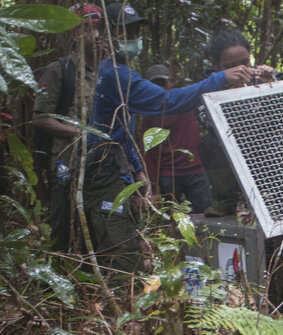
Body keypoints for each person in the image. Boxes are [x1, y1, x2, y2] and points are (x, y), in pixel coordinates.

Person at [85, 2, 261, 273]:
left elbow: (121, 130)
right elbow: (168, 102)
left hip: (118, 167)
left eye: (135, 32)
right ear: (107, 35)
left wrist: (138, 172)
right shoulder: (115, 75)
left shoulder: (119, 72)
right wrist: (220, 78)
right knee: (120, 252)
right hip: (104, 171)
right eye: (124, 33)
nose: (132, 39)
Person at [32, 3, 105, 251]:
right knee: (64, 226)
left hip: (100, 165)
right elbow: (40, 118)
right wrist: (80, 133)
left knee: (100, 226)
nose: (95, 35)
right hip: (66, 163)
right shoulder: (59, 70)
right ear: (74, 34)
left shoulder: (106, 73)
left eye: (98, 28)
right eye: (87, 29)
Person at [197, 29, 274, 217]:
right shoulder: (208, 86)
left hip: (266, 159)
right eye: (231, 66)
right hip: (230, 157)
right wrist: (230, 91)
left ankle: (273, 195)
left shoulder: (261, 77)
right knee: (209, 143)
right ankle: (227, 199)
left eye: (244, 63)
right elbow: (205, 121)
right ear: (217, 66)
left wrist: (271, 86)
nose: (241, 70)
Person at [140, 64, 211, 214]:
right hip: (168, 175)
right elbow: (148, 154)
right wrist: (152, 189)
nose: (160, 87)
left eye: (162, 82)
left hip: (195, 170)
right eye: (155, 84)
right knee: (170, 221)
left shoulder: (185, 102)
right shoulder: (149, 114)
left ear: (171, 82)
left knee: (206, 217)